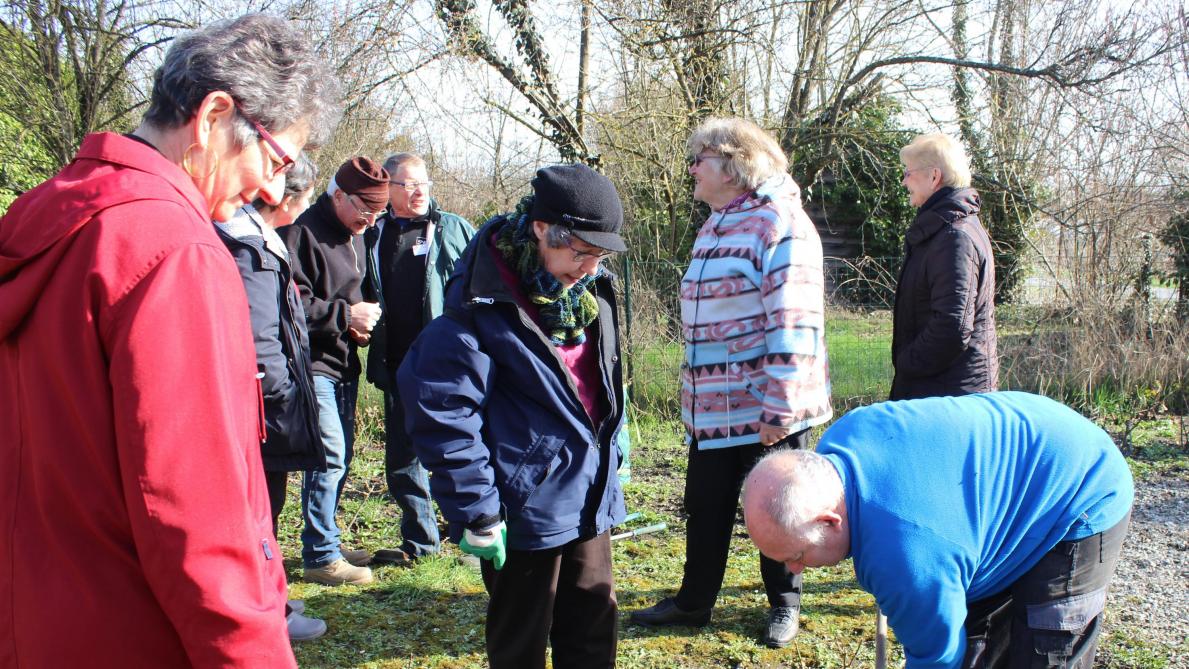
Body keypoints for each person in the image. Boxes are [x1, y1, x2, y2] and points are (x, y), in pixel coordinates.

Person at [0, 14, 339, 667]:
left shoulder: (44, 215)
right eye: (274, 159)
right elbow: (194, 514)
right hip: (134, 634)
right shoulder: (171, 248)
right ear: (214, 115)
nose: (271, 190)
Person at [397, 164, 628, 669]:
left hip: (588, 493)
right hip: (521, 507)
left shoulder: (590, 292)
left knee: (592, 626)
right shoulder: (479, 306)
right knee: (520, 639)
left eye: (600, 255)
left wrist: (617, 449)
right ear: (543, 229)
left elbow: (601, 381)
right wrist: (477, 508)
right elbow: (445, 412)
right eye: (582, 252)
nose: (591, 267)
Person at [742, 392, 1133, 668]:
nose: (794, 571)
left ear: (830, 520)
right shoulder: (842, 441)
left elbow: (937, 659)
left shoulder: (905, 557)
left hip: (1079, 485)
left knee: (1043, 651)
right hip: (1004, 480)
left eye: (796, 557)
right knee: (978, 642)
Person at [630, 117, 832, 648]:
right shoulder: (719, 220)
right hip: (714, 408)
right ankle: (694, 602)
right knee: (706, 503)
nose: (692, 169)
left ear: (736, 164)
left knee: (778, 507)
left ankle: (784, 604)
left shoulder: (778, 220)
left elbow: (795, 319)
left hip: (765, 406)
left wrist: (780, 405)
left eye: (700, 158)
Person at [215, 153, 329, 640]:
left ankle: (271, 595)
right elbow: (262, 342)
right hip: (261, 411)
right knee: (259, 512)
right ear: (285, 198)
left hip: (263, 406)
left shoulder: (254, 241)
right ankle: (267, 613)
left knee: (265, 510)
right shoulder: (250, 249)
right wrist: (283, 399)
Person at [280, 157, 389, 586]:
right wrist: (346, 317)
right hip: (312, 367)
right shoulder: (300, 232)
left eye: (378, 212)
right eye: (365, 208)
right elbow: (290, 305)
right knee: (328, 458)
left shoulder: (356, 234)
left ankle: (326, 537)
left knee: (340, 460)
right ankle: (321, 556)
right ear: (338, 194)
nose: (371, 219)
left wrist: (357, 327)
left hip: (344, 362)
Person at [362, 152, 474, 566]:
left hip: (444, 366)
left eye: (423, 181)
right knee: (402, 460)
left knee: (455, 452)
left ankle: (471, 536)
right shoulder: (372, 236)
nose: (420, 190)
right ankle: (421, 541)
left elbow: (481, 286)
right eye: (408, 184)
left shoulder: (453, 229)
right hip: (396, 366)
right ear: (388, 189)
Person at [892, 133, 997, 400]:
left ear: (934, 176)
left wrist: (906, 363)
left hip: (949, 397)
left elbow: (952, 327)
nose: (904, 181)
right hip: (939, 389)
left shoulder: (954, 237)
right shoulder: (942, 230)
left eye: (908, 173)